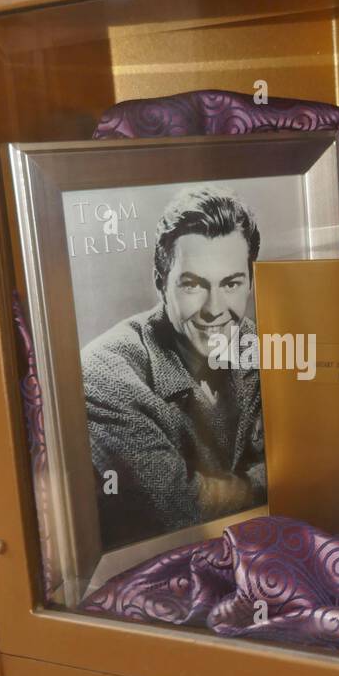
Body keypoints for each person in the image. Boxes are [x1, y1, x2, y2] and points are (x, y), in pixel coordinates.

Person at [81, 186, 266, 549]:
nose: (215, 309)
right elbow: (177, 511)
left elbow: (319, 468)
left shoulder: (262, 346)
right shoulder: (102, 372)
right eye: (193, 285)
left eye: (231, 284)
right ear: (160, 283)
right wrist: (272, 478)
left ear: (249, 283)